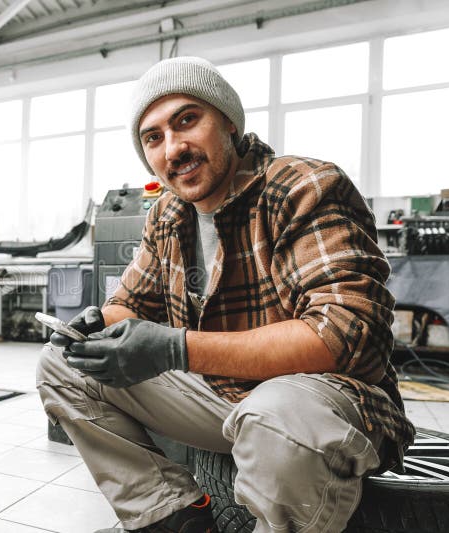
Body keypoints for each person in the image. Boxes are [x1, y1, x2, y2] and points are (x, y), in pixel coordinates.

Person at [36, 56, 415, 533]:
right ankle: (176, 519)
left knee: (276, 414)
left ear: (229, 122)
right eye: (153, 138)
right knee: (61, 366)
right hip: (222, 397)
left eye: (187, 121)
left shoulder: (305, 186)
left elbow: (346, 338)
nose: (172, 149)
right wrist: (100, 325)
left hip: (322, 404)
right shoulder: (168, 214)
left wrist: (175, 348)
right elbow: (133, 301)